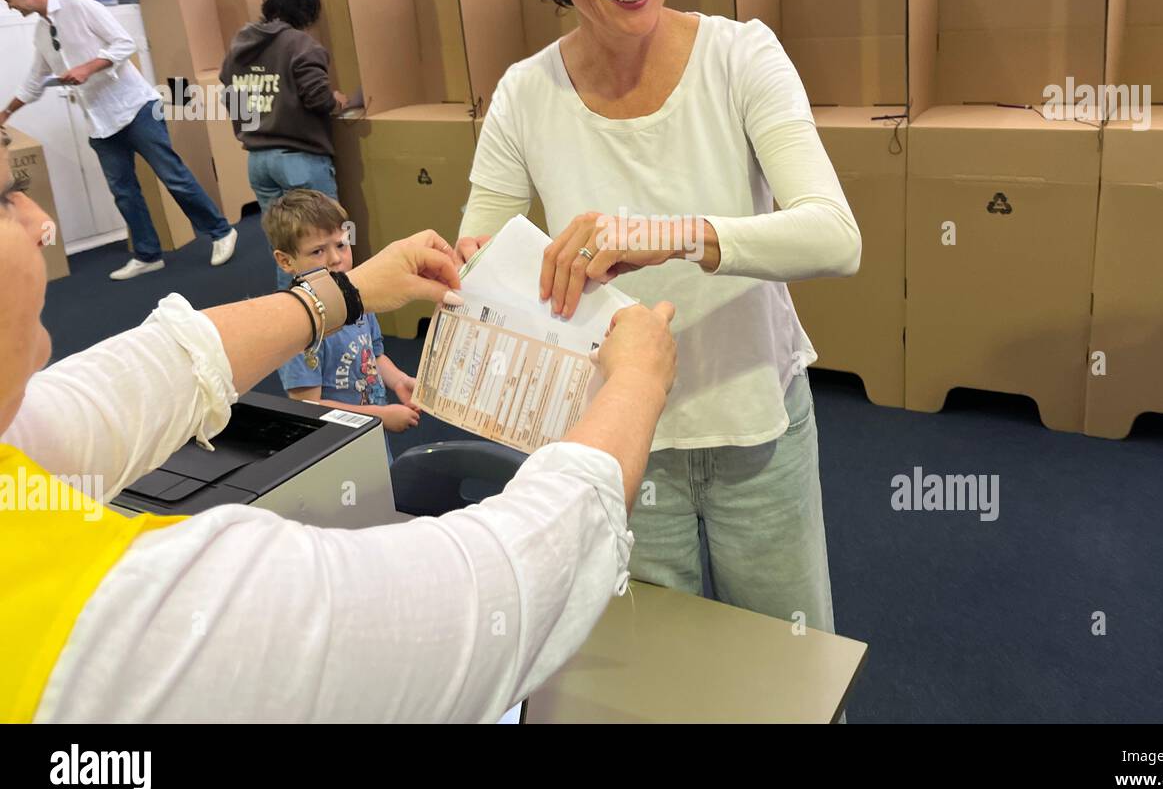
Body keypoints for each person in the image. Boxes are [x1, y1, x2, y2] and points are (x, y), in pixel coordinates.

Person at [0, 129, 678, 722]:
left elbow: (155, 373)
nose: (40, 222)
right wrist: (635, 384)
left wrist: (344, 293)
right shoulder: (126, 629)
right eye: (5, 196)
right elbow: (486, 599)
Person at [458, 0, 861, 637]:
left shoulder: (741, 57)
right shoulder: (525, 95)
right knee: (658, 680)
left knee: (790, 672)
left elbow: (833, 235)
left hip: (759, 427)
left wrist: (669, 235)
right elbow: (483, 265)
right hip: (619, 441)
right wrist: (473, 284)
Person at [0, 0, 236, 280]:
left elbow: (125, 43)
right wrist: (4, 114)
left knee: (173, 176)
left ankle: (221, 232)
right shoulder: (43, 33)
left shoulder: (78, 5)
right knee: (124, 192)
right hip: (100, 122)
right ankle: (148, 254)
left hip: (135, 107)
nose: (10, 7)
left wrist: (88, 68)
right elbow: (34, 81)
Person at [265, 189, 419, 462]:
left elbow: (375, 354)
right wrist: (381, 417)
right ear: (286, 261)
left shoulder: (357, 299)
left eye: (341, 245)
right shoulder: (299, 327)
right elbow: (309, 405)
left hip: (369, 432)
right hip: (334, 448)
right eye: (317, 251)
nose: (336, 259)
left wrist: (399, 380)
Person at [220, 0, 349, 288]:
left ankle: (293, 317)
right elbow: (317, 96)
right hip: (299, 158)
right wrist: (337, 100)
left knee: (288, 247)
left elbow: (231, 97)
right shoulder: (300, 44)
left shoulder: (240, 44)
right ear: (307, 13)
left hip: (258, 160)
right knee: (326, 243)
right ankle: (335, 315)